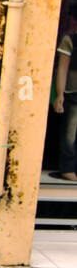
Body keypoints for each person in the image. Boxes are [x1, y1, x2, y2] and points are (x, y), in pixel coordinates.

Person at [49, 12, 77, 181]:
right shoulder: (70, 40)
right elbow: (63, 68)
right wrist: (60, 94)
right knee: (70, 133)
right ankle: (67, 167)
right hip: (73, 93)